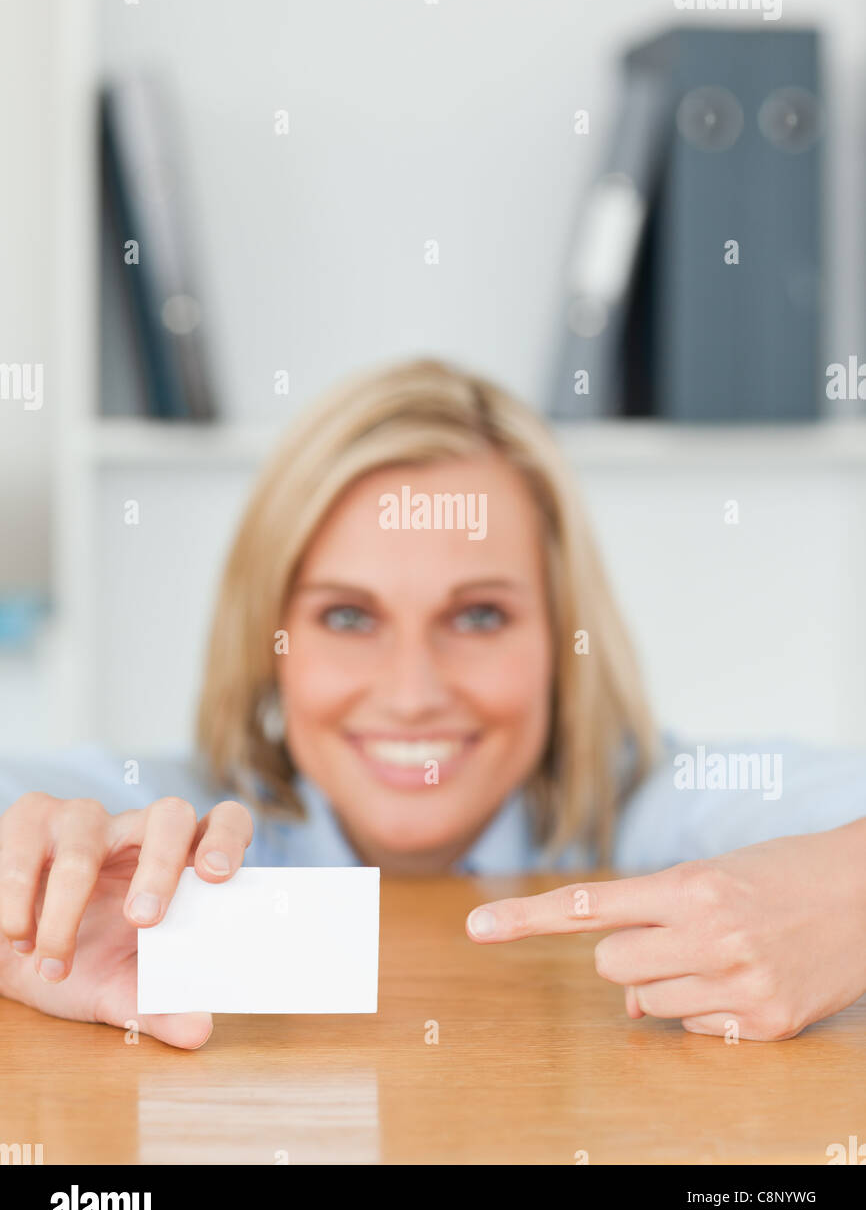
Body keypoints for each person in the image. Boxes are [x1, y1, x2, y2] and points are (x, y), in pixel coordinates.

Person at [1, 358, 865, 1049]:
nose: (413, 693)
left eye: (479, 615)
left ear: (563, 636)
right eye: (348, 616)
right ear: (271, 643)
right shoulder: (172, 828)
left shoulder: (660, 808)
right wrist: (25, 912)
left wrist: (843, 902)